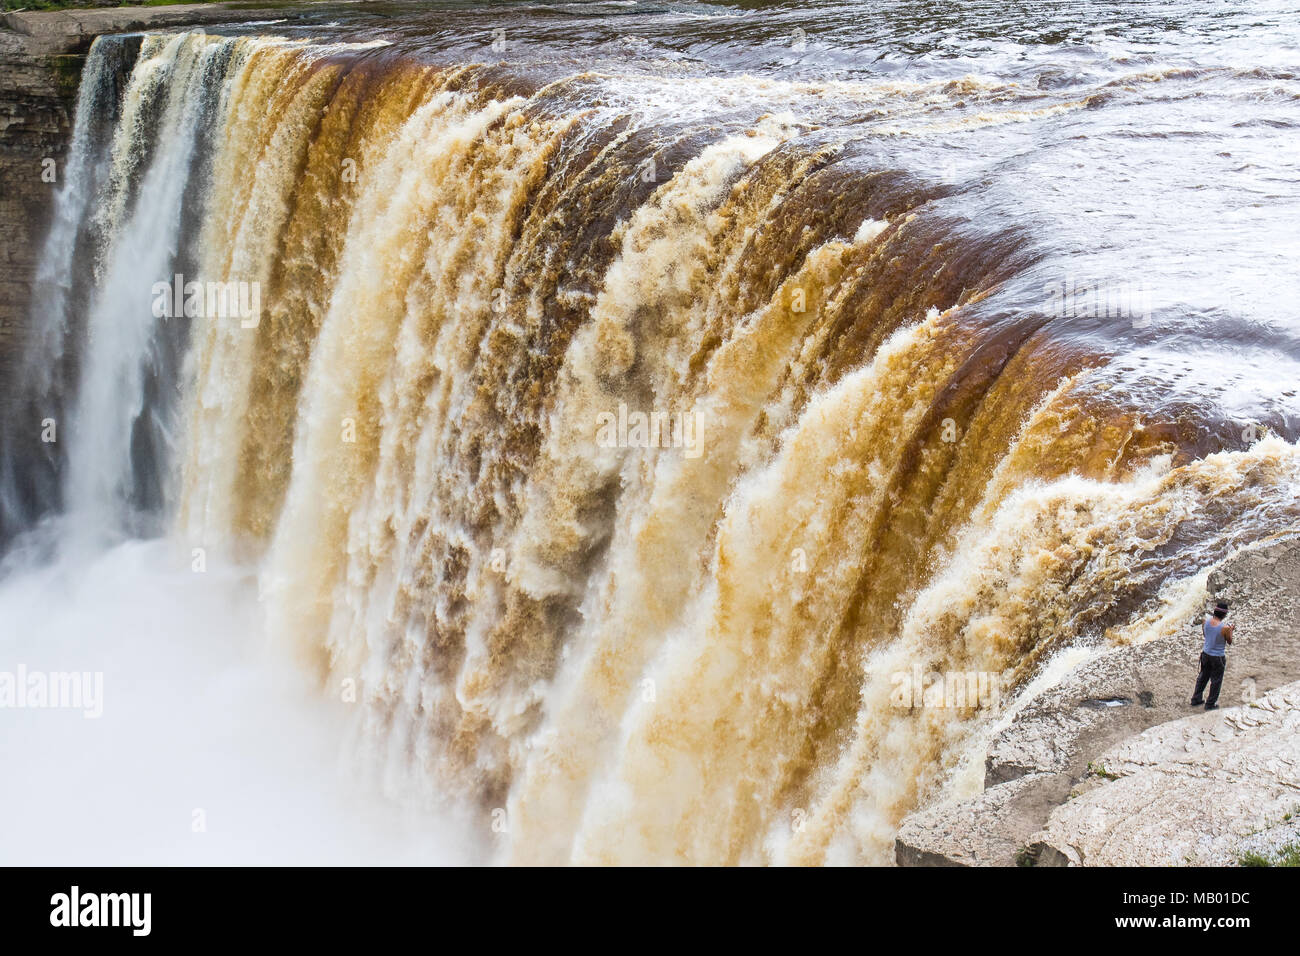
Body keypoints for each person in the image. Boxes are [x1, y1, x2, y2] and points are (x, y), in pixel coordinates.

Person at [1191, 600, 1233, 710]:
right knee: (1216, 680)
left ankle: (1196, 698)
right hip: (1217, 656)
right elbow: (1229, 641)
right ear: (1224, 614)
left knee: (1203, 677)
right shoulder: (1225, 628)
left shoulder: (1206, 622)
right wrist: (1231, 630)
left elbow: (1206, 635)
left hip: (1205, 653)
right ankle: (1210, 704)